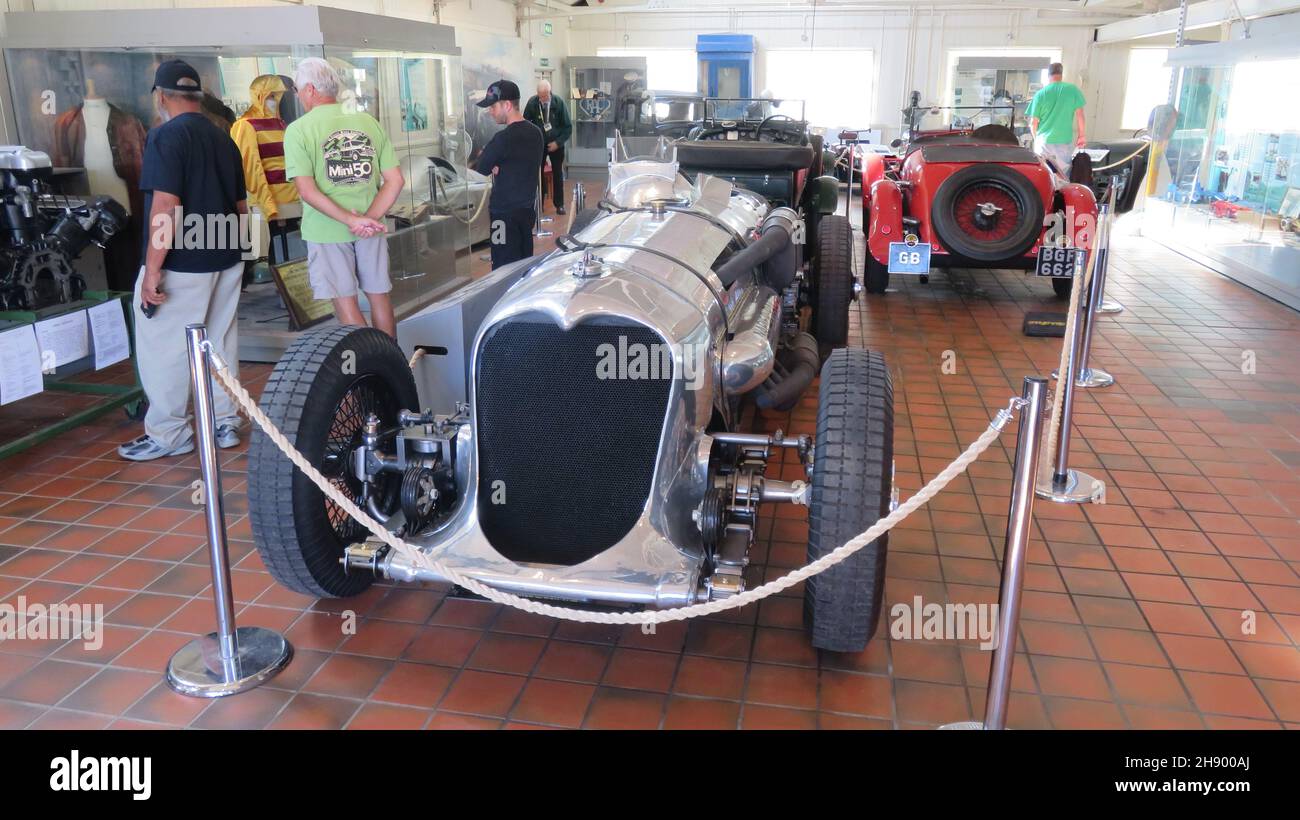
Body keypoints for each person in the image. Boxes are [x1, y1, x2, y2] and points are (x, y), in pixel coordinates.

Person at [118, 60, 249, 462]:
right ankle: (226, 422)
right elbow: (242, 205)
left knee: (166, 349)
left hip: (183, 261)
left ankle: (170, 434)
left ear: (161, 97)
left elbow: (165, 206)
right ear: (197, 96)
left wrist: (152, 270)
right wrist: (242, 256)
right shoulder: (223, 137)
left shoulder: (165, 137)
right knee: (220, 340)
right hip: (225, 252)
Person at [283, 57, 404, 335]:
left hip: (328, 230)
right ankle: (391, 368)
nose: (299, 96)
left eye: (299, 90)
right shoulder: (367, 122)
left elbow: (307, 190)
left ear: (311, 89)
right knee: (379, 297)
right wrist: (367, 220)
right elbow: (395, 180)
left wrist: (350, 220)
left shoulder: (298, 130)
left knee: (345, 304)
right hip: (370, 228)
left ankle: (367, 371)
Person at [475, 79, 544, 270]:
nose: (490, 111)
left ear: (507, 105)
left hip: (503, 216)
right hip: (526, 211)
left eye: (493, 106)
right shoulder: (536, 133)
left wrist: (496, 164)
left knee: (502, 267)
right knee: (523, 265)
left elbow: (481, 168)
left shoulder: (503, 139)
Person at [1025, 62, 1087, 176]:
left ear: (1049, 75)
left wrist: (1036, 139)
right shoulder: (1072, 90)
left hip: (1043, 142)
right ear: (1061, 74)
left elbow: (1033, 123)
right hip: (1064, 141)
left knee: (1044, 176)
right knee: (1062, 177)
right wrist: (1081, 136)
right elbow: (1080, 115)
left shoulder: (1040, 94)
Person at [522, 79, 572, 214]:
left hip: (556, 144)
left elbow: (567, 127)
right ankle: (539, 204)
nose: (542, 98)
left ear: (549, 92)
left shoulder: (559, 103)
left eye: (544, 95)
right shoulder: (533, 103)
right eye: (540, 95)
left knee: (557, 173)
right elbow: (525, 123)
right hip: (539, 145)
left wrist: (558, 143)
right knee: (538, 174)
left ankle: (559, 204)